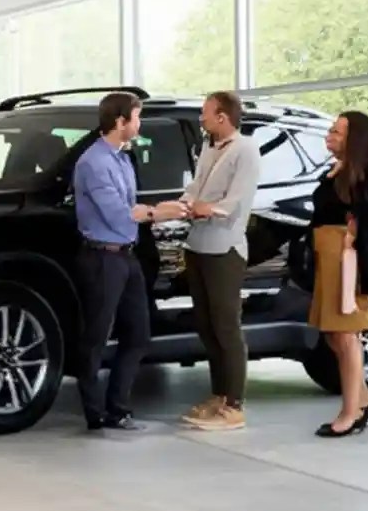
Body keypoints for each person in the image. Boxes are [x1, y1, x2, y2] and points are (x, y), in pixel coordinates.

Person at [73, 92, 165, 432]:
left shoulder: (124, 159)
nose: (140, 124)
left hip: (127, 255)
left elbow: (131, 210)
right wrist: (159, 212)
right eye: (137, 118)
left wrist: (151, 213)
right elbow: (118, 214)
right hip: (101, 257)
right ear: (119, 122)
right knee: (95, 337)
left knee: (138, 333)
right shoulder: (92, 163)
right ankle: (93, 412)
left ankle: (118, 408)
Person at [174, 91, 261, 431]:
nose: (202, 118)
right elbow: (196, 186)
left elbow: (239, 197)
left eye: (206, 113)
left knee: (227, 326)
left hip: (225, 248)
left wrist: (209, 209)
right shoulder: (209, 148)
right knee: (206, 325)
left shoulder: (246, 149)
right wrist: (182, 204)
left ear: (223, 116)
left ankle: (235, 404)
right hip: (197, 245)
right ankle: (218, 394)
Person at [308, 111, 368, 438]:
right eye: (331, 130)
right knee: (332, 335)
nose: (330, 135)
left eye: (337, 132)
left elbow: (365, 224)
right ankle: (364, 404)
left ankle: (350, 413)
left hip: (345, 258)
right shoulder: (336, 170)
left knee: (345, 335)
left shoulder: (362, 175)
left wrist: (363, 275)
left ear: (354, 140)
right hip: (328, 255)